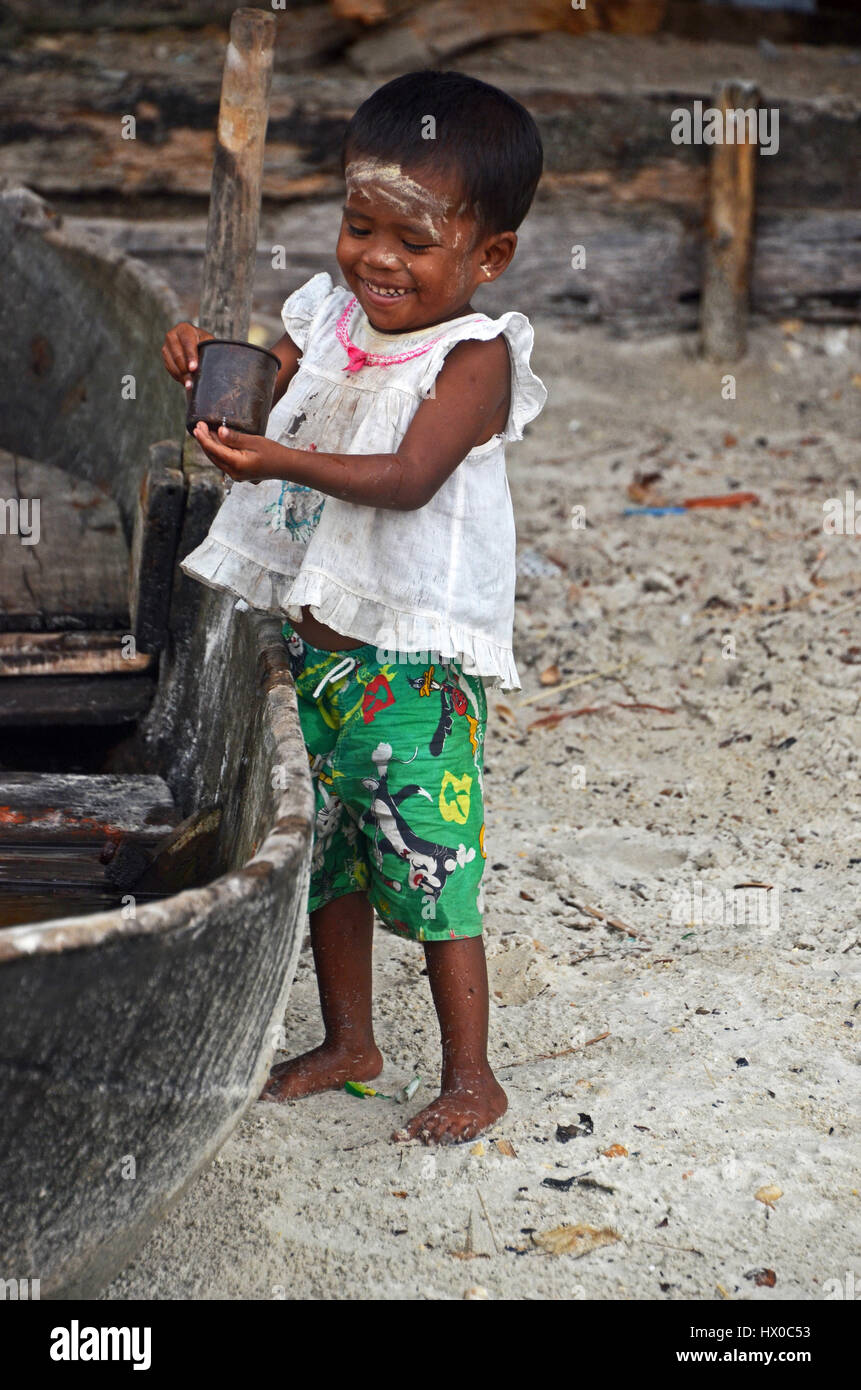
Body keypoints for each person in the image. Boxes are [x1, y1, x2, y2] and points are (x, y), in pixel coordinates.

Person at [161, 69, 546, 1144]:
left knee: (430, 863)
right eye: (359, 225)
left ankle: (474, 1073)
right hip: (316, 653)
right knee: (329, 850)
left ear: (489, 257)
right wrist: (206, 375)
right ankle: (350, 1040)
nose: (377, 257)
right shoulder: (326, 319)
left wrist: (283, 451)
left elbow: (408, 477)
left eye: (413, 242)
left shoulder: (475, 361)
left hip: (411, 668)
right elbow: (252, 418)